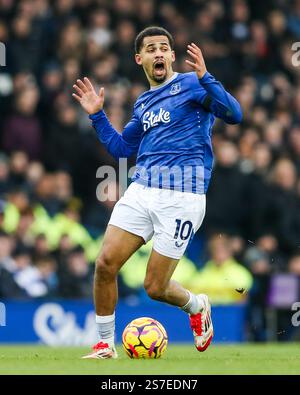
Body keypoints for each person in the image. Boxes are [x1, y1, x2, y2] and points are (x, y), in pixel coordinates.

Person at [72, 26, 242, 359]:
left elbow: (234, 115)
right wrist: (97, 116)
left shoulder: (192, 83)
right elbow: (122, 150)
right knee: (105, 263)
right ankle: (106, 343)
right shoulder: (144, 102)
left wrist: (207, 77)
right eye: (151, 49)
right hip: (142, 189)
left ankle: (196, 305)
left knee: (155, 288)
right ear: (140, 59)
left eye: (164, 47)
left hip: (184, 196)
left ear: (172, 55)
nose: (159, 53)